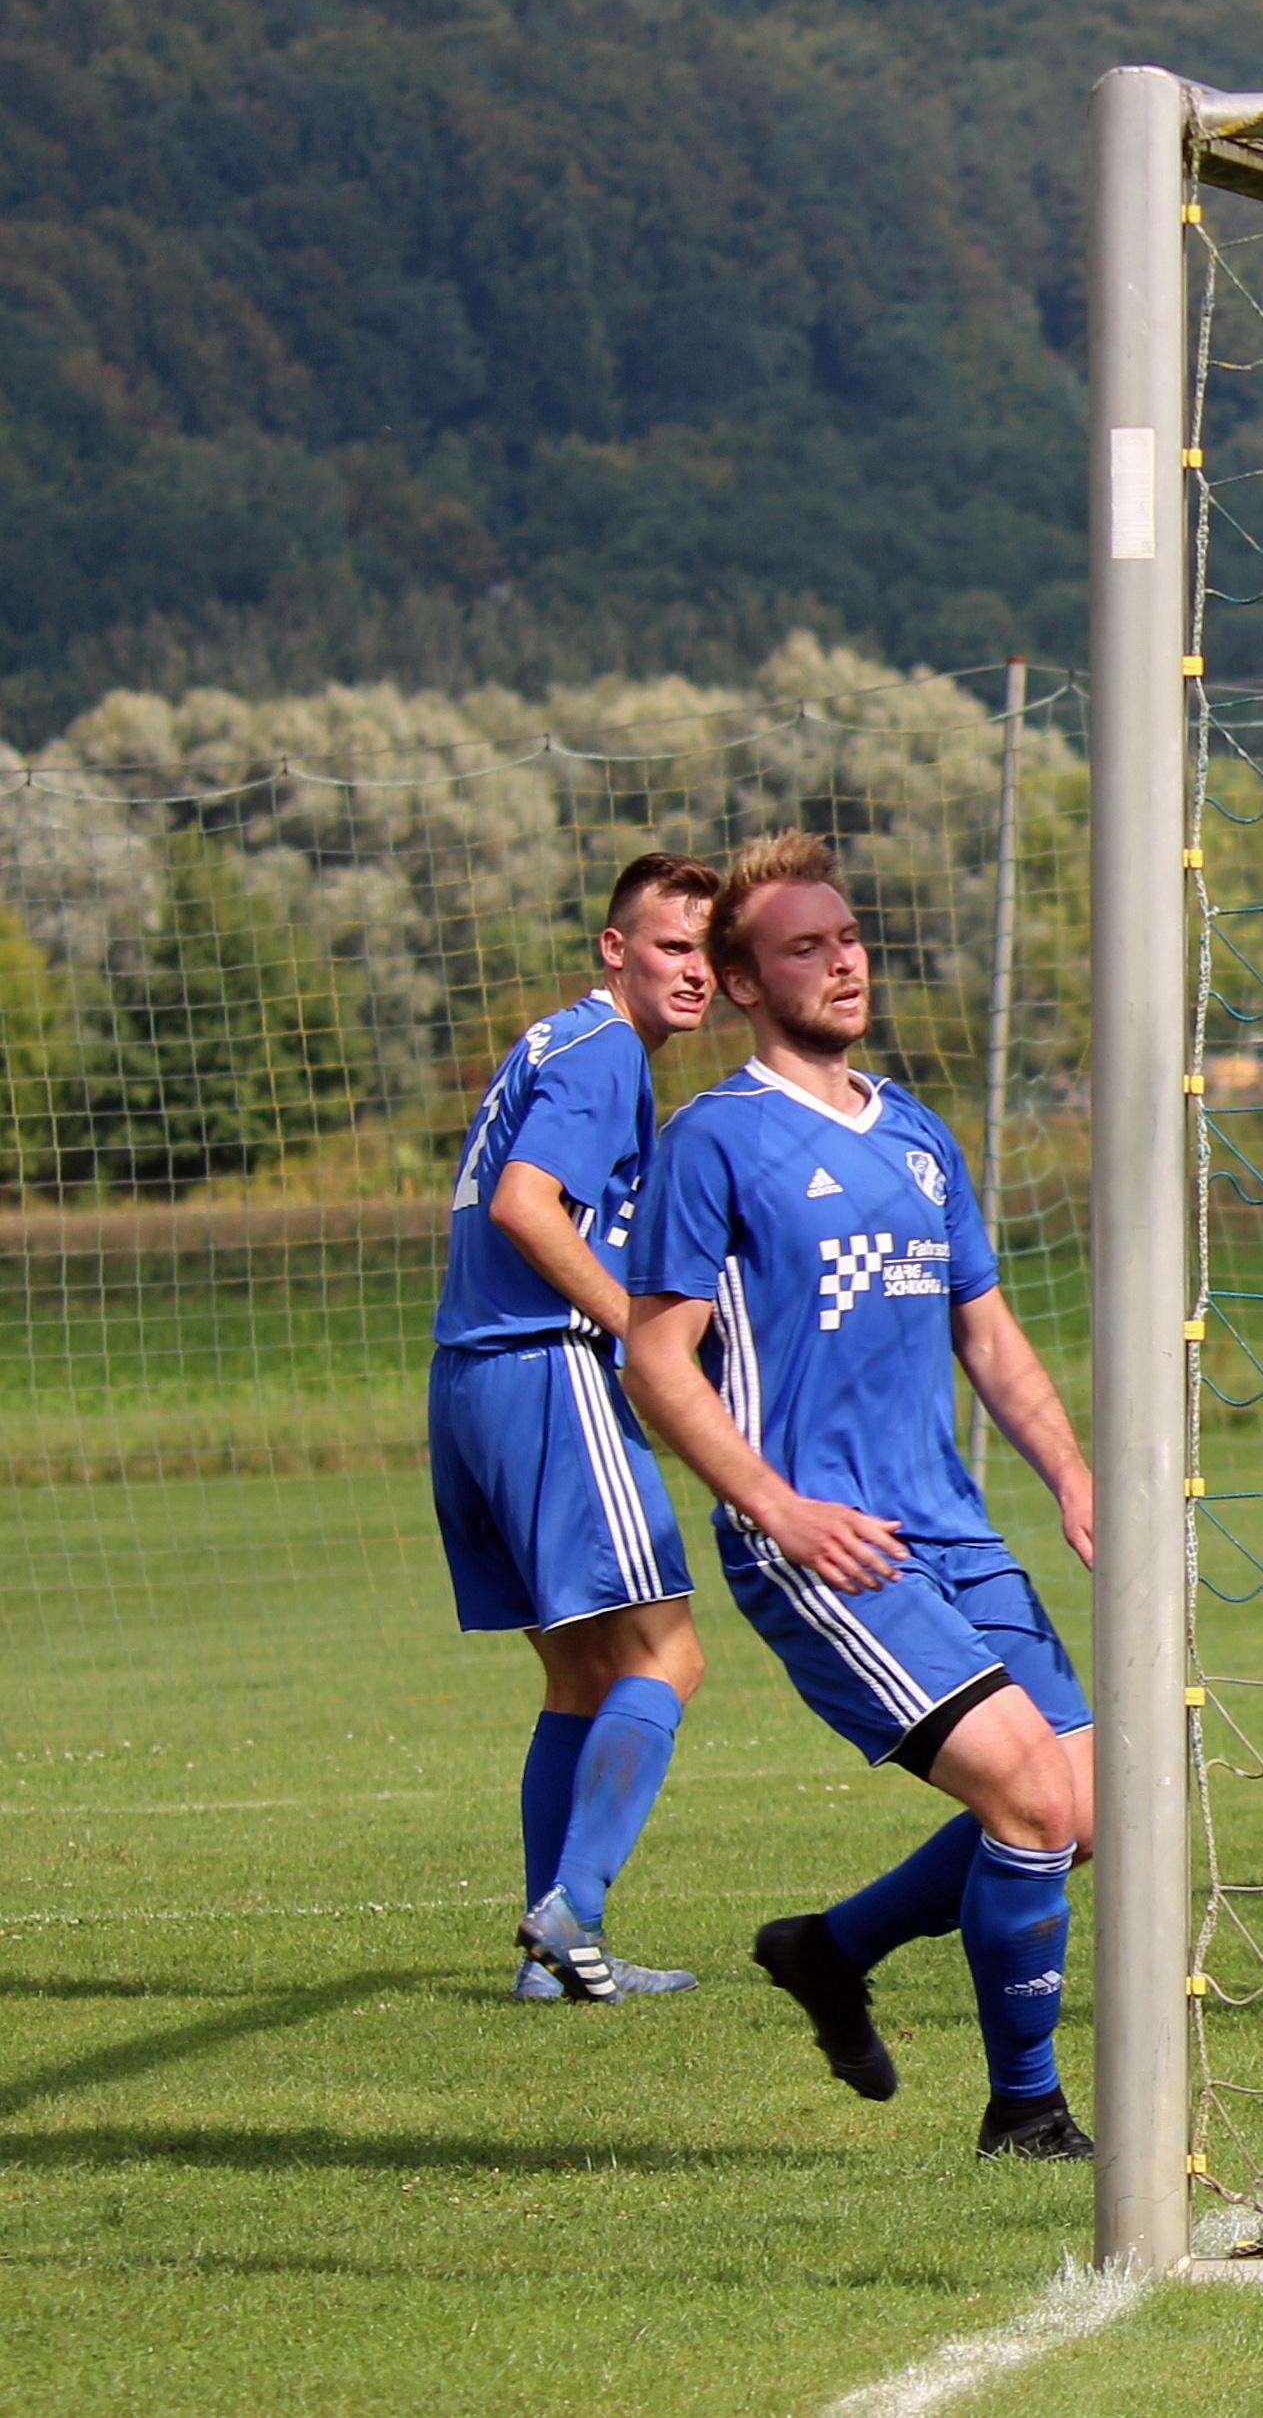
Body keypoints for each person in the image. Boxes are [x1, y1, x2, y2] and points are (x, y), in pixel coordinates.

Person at [622, 830, 1100, 2160]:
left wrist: (1070, 1471)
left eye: (846, 937)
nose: (839, 962)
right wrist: (776, 1508)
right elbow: (655, 1359)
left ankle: (832, 1950)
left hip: (951, 1525)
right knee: (1026, 1798)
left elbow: (989, 1333)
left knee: (1088, 1806)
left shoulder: (918, 1132)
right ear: (738, 984)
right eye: (801, 947)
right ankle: (1025, 2111)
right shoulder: (711, 1141)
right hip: (825, 1545)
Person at [432, 851, 722, 2004]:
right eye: (671, 947)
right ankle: (575, 1904)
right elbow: (523, 1203)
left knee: (579, 1674)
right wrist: (639, 1333)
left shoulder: (551, 1041)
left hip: (468, 1380)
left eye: (709, 953)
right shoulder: (606, 1051)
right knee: (669, 1654)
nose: (694, 973)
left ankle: (557, 1963)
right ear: (615, 949)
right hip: (545, 1371)